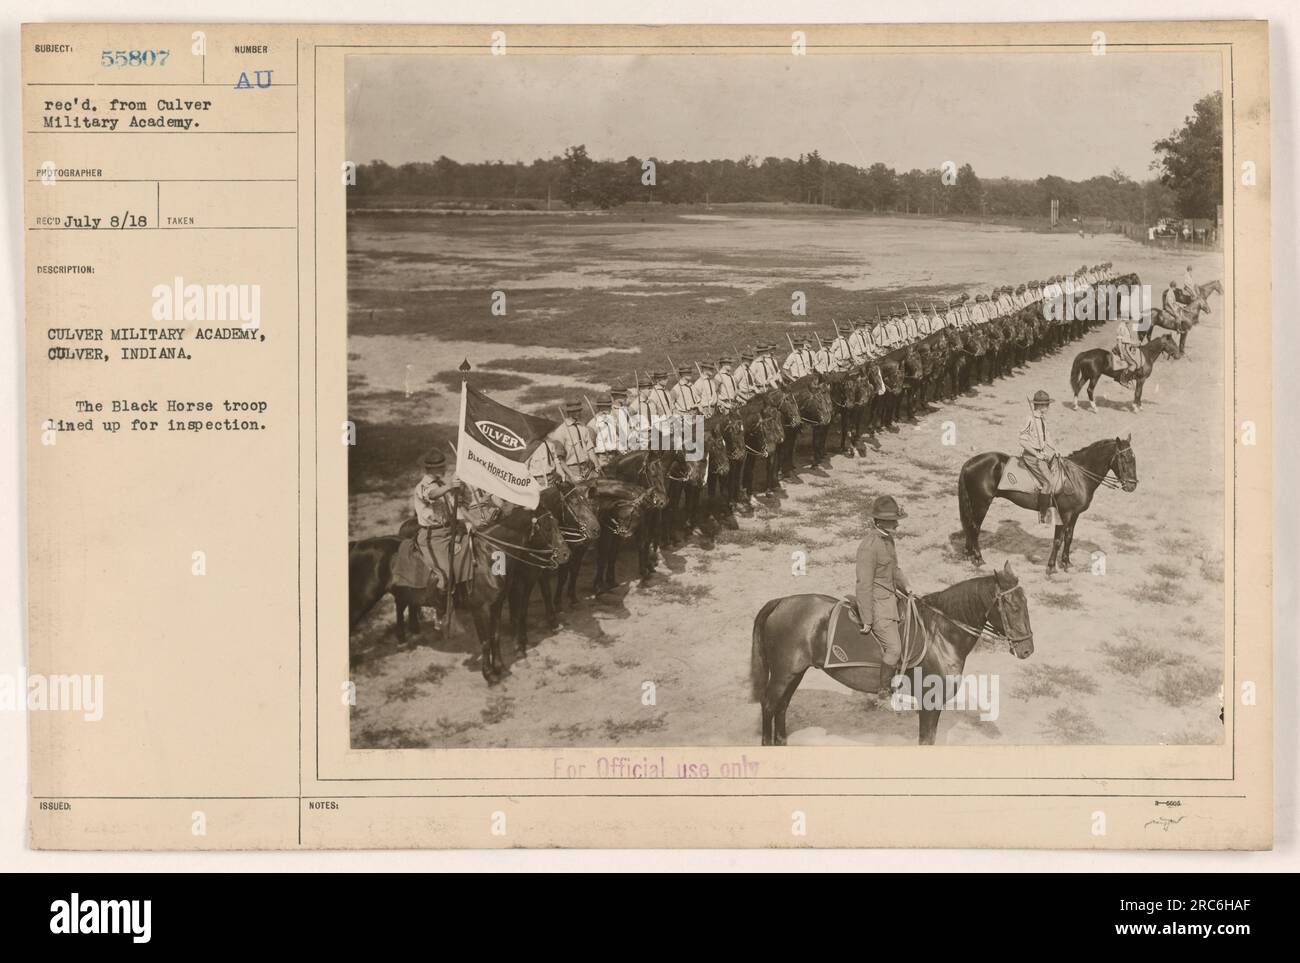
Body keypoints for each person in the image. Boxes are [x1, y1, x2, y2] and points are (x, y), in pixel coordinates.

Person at [855, 494, 912, 696]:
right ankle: (884, 691)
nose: (897, 524)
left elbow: (894, 569)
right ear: (879, 521)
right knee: (895, 649)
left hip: (892, 599)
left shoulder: (888, 540)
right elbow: (864, 585)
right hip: (879, 606)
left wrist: (907, 587)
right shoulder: (869, 547)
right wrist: (867, 619)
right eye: (893, 520)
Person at [412, 449, 462, 593]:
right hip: (432, 537)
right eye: (441, 467)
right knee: (445, 576)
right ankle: (439, 611)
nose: (445, 468)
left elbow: (451, 507)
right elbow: (432, 495)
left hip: (449, 532)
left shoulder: (441, 484)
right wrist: (449, 486)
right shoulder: (423, 486)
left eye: (443, 465)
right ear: (431, 469)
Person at [1018, 390, 1061, 524]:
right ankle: (1043, 515)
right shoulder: (1029, 419)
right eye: (1047, 405)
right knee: (1048, 482)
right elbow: (1022, 440)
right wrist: (1036, 453)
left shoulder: (1043, 420)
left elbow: (1047, 437)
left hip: (1041, 454)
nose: (1048, 408)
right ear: (1041, 406)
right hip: (1031, 456)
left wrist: (1055, 449)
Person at [550, 401, 597, 481]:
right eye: (574, 411)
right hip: (572, 470)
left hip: (587, 468)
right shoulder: (561, 431)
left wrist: (596, 465)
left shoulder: (583, 427)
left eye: (579, 410)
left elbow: (590, 449)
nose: (578, 413)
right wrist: (572, 476)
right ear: (569, 412)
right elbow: (559, 458)